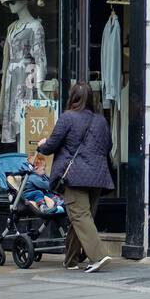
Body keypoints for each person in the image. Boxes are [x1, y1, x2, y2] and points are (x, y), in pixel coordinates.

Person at [37, 82, 114, 272]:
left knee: (80, 216)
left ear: (73, 97)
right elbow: (108, 146)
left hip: (75, 176)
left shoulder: (67, 117)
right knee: (80, 219)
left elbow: (52, 145)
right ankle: (70, 260)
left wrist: (42, 145)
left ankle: (98, 256)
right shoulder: (101, 120)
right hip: (97, 176)